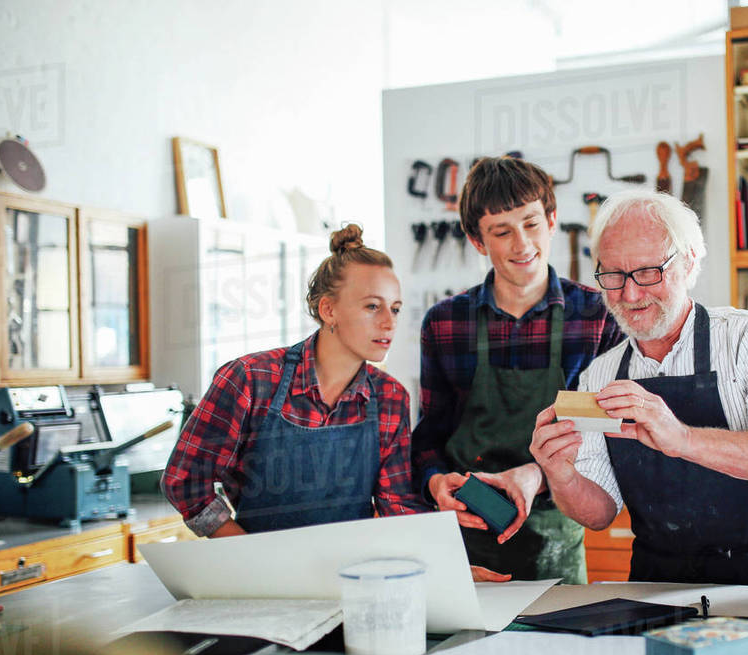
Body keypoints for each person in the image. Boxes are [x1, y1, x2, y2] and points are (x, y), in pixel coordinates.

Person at [530, 189, 748, 587]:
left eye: (649, 272)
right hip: (655, 581)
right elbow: (598, 514)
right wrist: (560, 475)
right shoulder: (600, 375)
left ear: (688, 261)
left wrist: (681, 438)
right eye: (613, 275)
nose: (629, 294)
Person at [412, 156, 624, 584]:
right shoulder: (446, 323)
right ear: (477, 240)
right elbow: (430, 435)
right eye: (501, 231)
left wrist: (538, 475)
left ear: (552, 219)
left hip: (557, 542)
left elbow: (607, 438)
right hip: (466, 545)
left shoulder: (598, 317)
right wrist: (435, 483)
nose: (521, 244)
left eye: (530, 223)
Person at [162, 224, 424, 536]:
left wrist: (447, 560)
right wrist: (247, 552)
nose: (388, 322)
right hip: (260, 579)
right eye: (372, 306)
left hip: (349, 574)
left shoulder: (391, 398)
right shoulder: (249, 380)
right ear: (328, 309)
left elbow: (398, 504)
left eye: (395, 309)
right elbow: (185, 480)